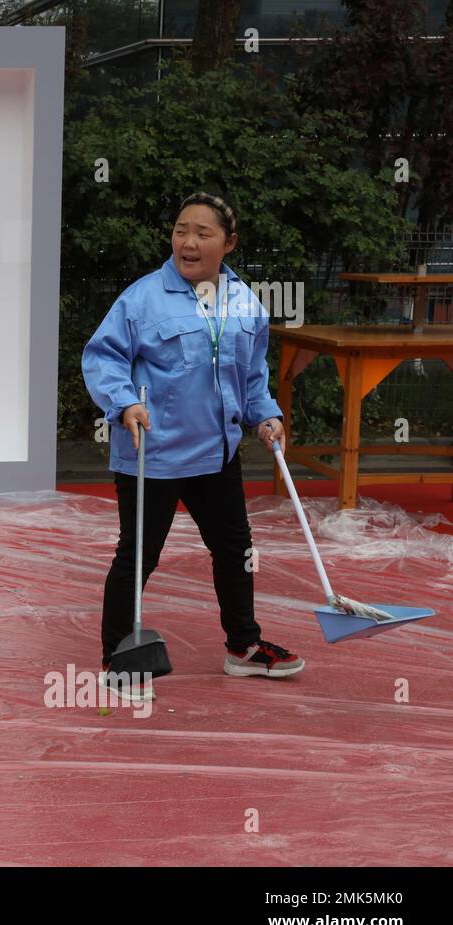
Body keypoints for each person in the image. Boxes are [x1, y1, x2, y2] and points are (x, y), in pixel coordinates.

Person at [82, 192, 303, 696]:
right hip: (151, 454)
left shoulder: (245, 303)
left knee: (235, 548)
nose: (188, 241)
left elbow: (251, 377)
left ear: (229, 243)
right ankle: (119, 657)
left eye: (203, 233)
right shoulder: (140, 299)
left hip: (215, 451)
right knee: (138, 555)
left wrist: (265, 413)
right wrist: (122, 403)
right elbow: (103, 358)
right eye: (181, 230)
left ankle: (244, 647)